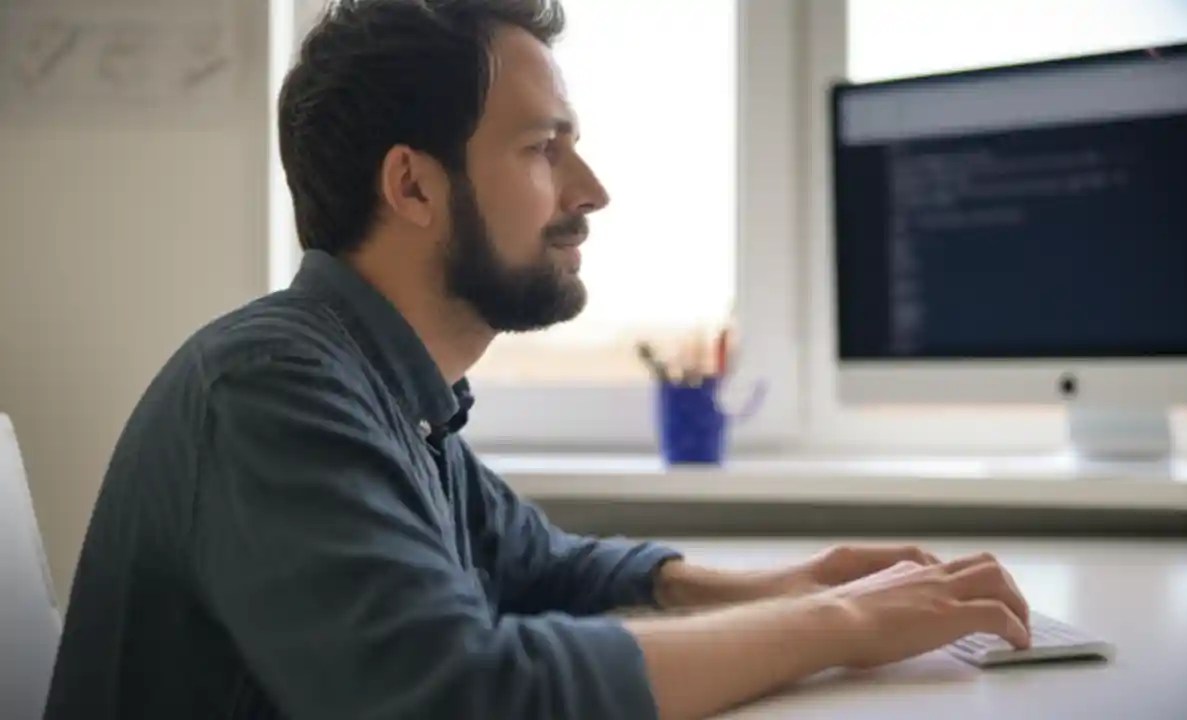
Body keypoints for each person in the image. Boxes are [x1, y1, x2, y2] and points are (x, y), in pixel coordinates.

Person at [43, 1, 1032, 718]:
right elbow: (462, 697)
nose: (589, 190)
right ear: (413, 187)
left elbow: (542, 568)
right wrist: (837, 631)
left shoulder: (388, 391)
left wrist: (798, 584)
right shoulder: (271, 392)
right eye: (542, 148)